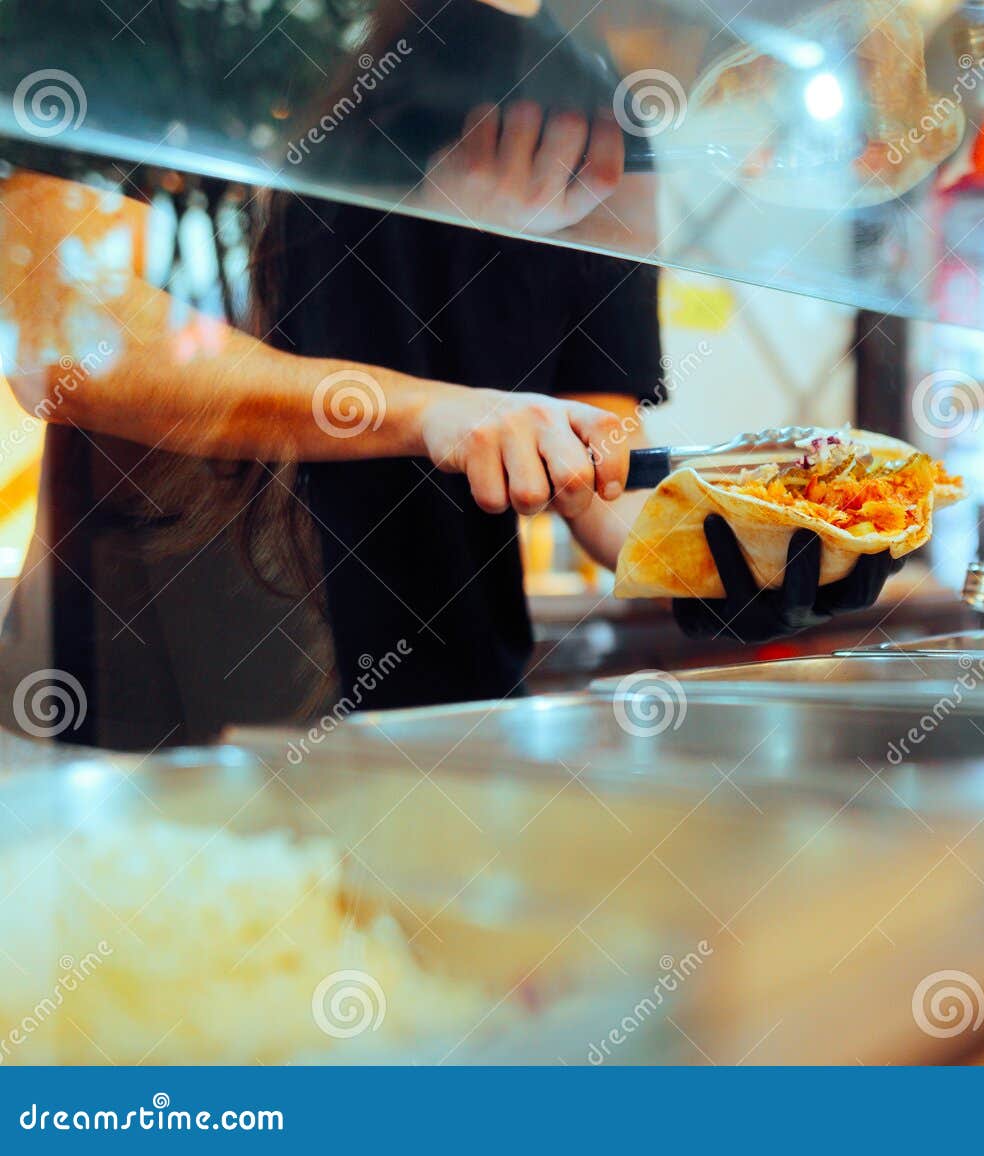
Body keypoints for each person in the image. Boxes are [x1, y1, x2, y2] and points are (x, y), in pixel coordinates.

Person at [0, 0, 898, 745]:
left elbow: (600, 477)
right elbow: (62, 346)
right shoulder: (199, 19)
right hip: (158, 703)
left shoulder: (592, 96)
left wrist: (735, 554)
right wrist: (435, 411)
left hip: (447, 725)